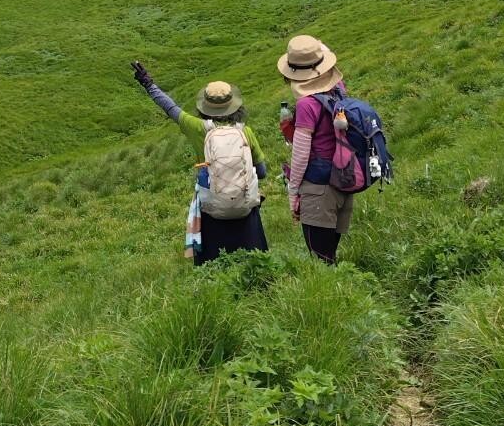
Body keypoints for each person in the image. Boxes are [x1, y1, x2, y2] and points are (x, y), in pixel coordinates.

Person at [131, 61, 268, 265]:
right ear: (235, 106)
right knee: (251, 260)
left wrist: (148, 84)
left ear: (205, 106)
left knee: (213, 264)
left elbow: (170, 108)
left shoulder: (197, 128)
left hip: (211, 206)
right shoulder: (244, 132)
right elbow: (262, 171)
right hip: (244, 206)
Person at [277, 35, 362, 265]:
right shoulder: (338, 90)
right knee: (329, 253)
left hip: (319, 187)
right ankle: (345, 288)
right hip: (343, 177)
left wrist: (293, 193)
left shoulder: (307, 104)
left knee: (321, 260)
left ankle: (334, 297)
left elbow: (301, 154)